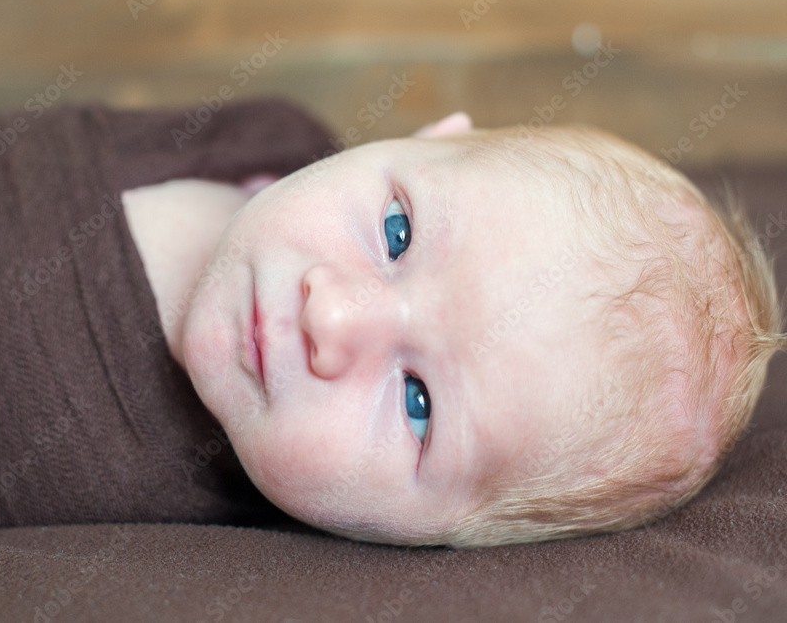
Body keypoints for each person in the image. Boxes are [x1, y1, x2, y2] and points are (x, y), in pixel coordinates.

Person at [127, 111, 786, 547]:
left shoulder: (135, 517)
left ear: (447, 538)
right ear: (425, 136)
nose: (330, 317)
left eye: (418, 403)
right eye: (397, 232)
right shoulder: (260, 135)